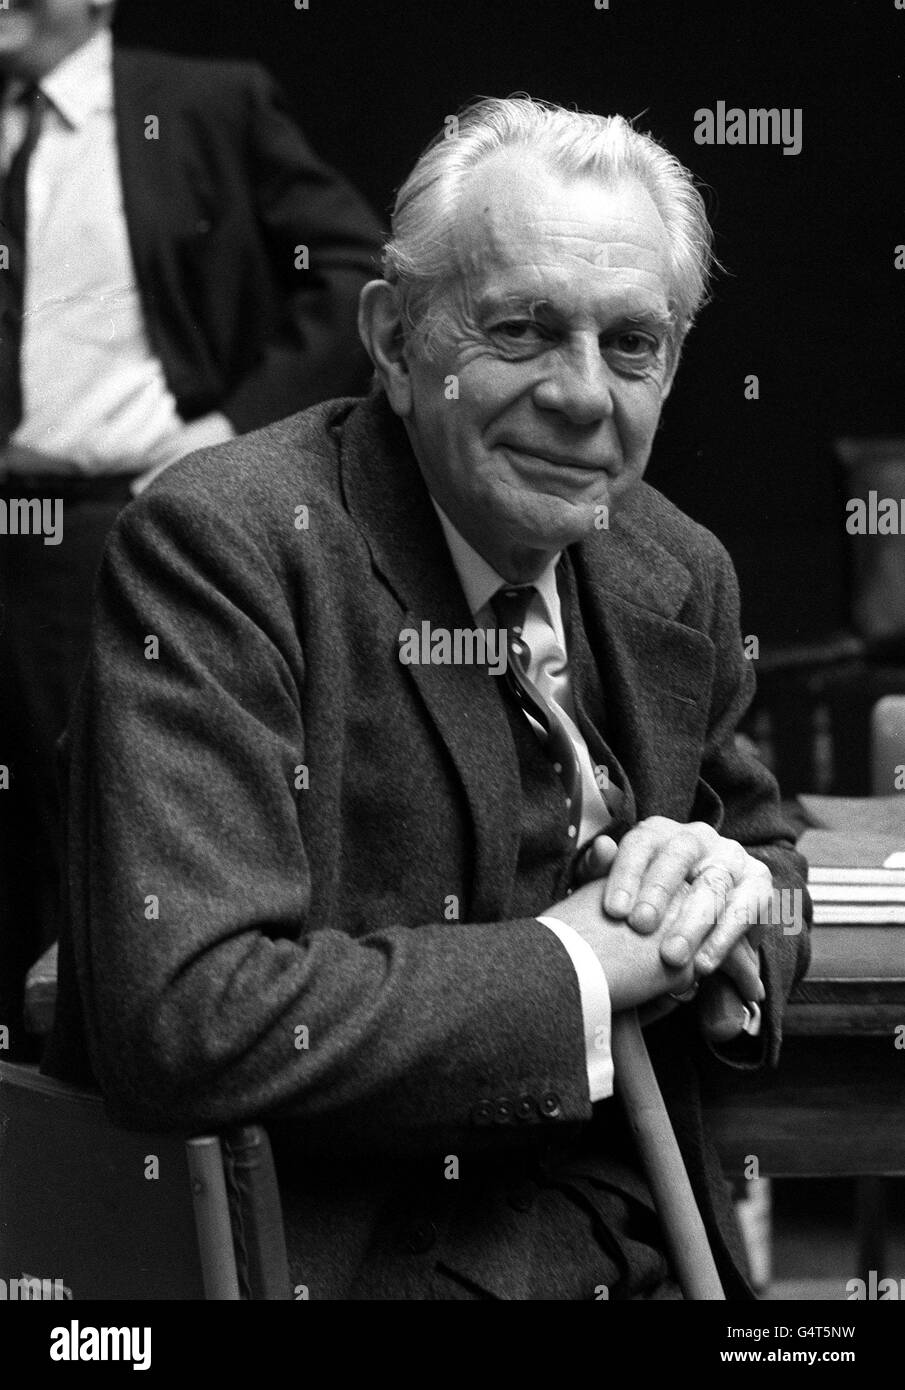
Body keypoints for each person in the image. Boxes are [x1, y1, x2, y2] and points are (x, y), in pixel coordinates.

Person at [44, 96, 810, 1300]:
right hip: (354, 1267)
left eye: (631, 345)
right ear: (397, 345)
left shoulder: (673, 565)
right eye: (519, 329)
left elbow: (765, 851)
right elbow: (187, 1015)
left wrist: (726, 900)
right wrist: (573, 972)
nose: (581, 395)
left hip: (648, 1249)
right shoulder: (222, 548)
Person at [0, 0, 384, 1058]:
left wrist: (225, 437)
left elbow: (354, 264)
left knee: (89, 841)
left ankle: (84, 1155)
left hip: (108, 522)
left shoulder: (200, 103)